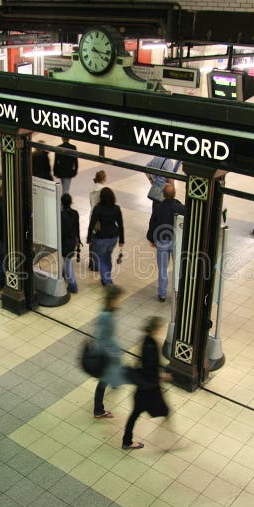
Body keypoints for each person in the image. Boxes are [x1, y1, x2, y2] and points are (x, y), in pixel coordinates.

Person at [122, 316, 172, 450]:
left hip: (143, 387)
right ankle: (167, 441)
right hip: (150, 389)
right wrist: (161, 376)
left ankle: (127, 441)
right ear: (155, 329)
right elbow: (151, 368)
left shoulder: (146, 340)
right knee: (165, 411)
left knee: (135, 414)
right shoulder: (151, 345)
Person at [147, 183, 185, 302]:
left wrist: (152, 239)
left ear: (163, 194)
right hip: (176, 241)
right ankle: (178, 293)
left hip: (162, 241)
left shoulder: (158, 207)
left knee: (163, 268)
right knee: (178, 267)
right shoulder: (181, 208)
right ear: (174, 194)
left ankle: (162, 294)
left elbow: (153, 223)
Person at [93, 285, 127, 418]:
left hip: (111, 349)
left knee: (111, 373)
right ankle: (98, 410)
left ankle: (115, 382)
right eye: (119, 299)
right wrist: (110, 352)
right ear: (113, 299)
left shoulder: (110, 311)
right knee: (103, 381)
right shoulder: (105, 316)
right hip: (106, 353)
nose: (120, 301)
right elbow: (101, 337)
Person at [87, 187, 124, 287]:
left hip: (100, 238)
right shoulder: (116, 208)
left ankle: (107, 281)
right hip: (113, 238)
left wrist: (89, 238)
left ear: (101, 197)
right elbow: (120, 225)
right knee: (107, 257)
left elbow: (92, 224)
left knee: (101, 259)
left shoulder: (97, 208)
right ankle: (106, 278)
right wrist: (121, 240)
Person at [60, 193, 80, 293]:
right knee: (67, 259)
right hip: (73, 241)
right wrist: (78, 240)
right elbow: (77, 228)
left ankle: (73, 285)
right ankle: (63, 274)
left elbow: (62, 231)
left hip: (65, 242)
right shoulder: (75, 213)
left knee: (67, 262)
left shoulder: (62, 215)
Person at [88, 170, 107, 272]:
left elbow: (91, 203)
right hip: (101, 219)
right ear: (104, 179)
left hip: (92, 217)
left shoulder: (92, 190)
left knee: (92, 240)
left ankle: (91, 263)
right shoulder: (103, 190)